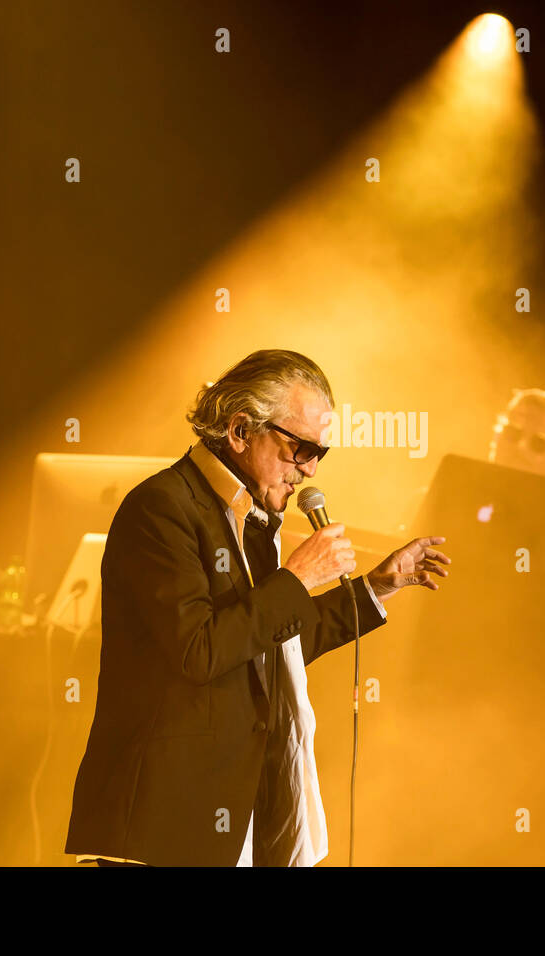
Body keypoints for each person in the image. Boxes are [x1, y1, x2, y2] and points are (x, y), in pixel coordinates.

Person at [64, 349, 449, 866]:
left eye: (320, 453)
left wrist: (374, 589)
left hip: (242, 816)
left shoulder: (255, 522)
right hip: (164, 826)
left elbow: (268, 649)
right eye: (301, 448)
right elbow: (199, 651)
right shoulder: (162, 508)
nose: (309, 470)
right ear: (241, 430)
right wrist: (295, 578)